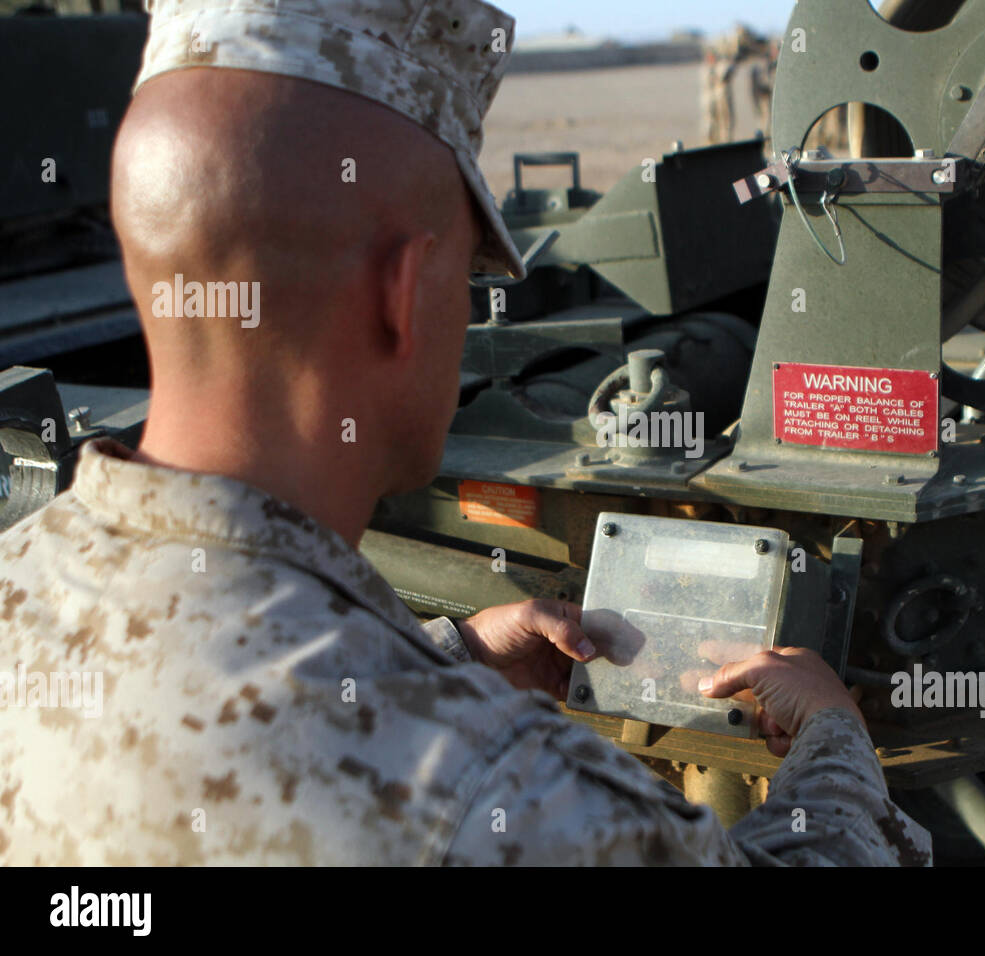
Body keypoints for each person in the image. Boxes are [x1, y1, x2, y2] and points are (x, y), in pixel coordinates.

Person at [0, 0, 932, 866]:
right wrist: (834, 741)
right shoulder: (495, 789)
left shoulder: (18, 585)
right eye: (469, 281)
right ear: (401, 294)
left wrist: (445, 658)